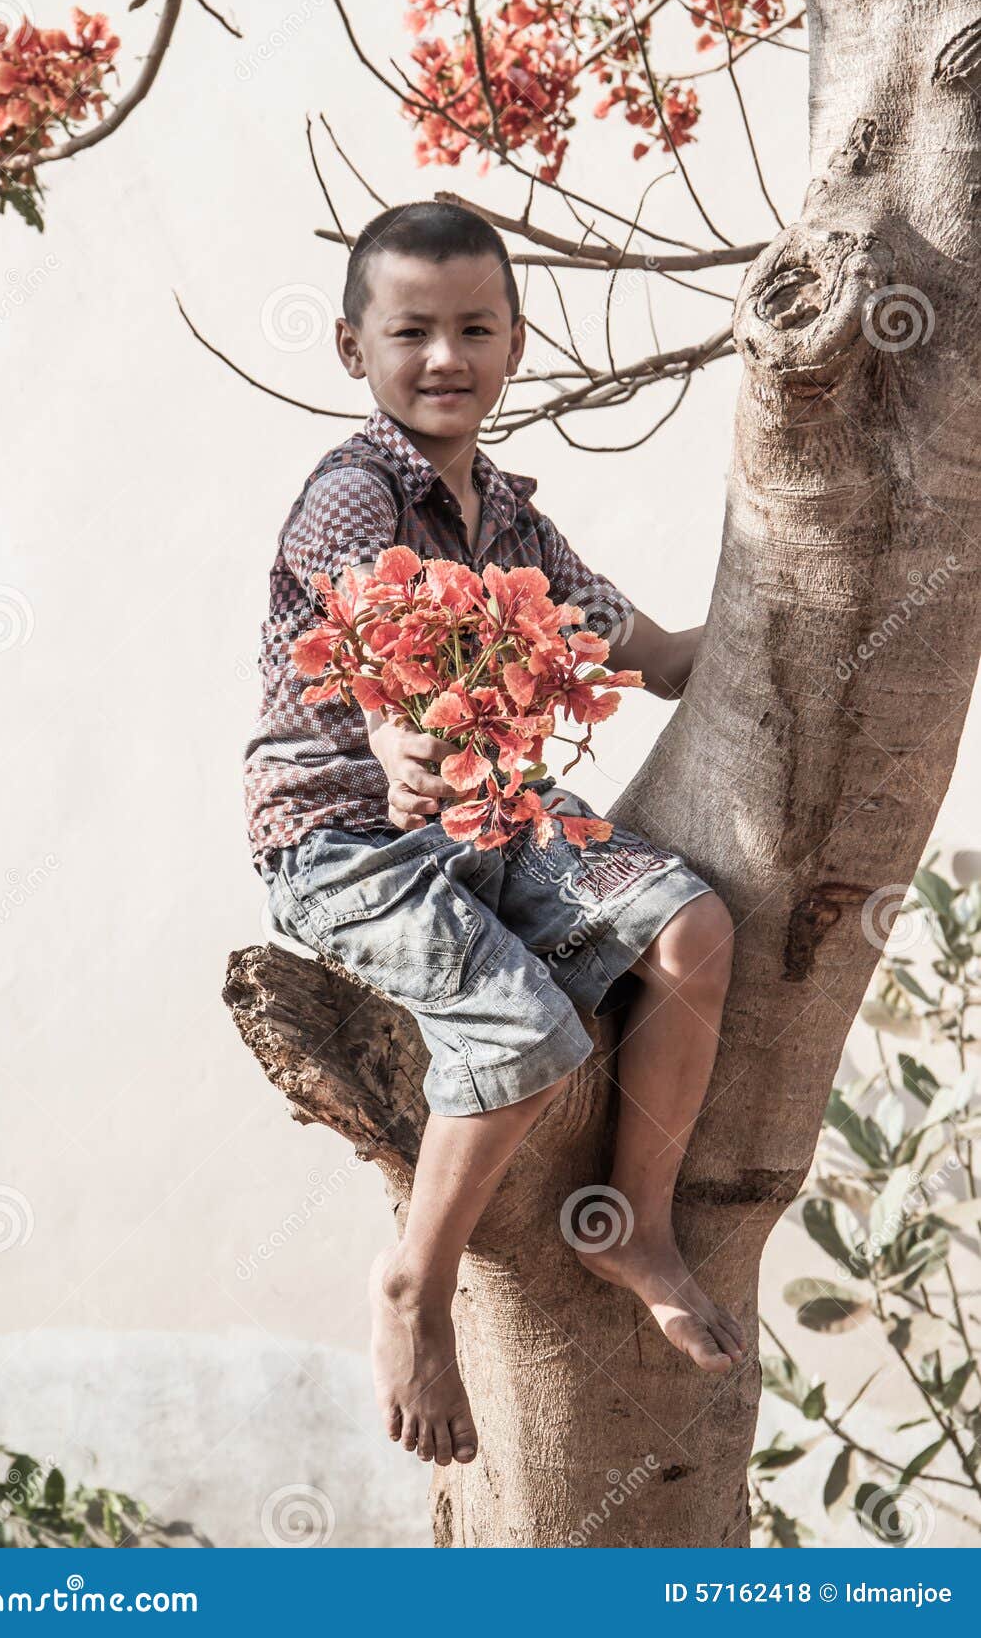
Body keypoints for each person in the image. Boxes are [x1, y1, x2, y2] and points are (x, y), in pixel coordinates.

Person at [243, 199, 745, 1471]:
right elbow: (374, 660)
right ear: (351, 348)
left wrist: (770, 601)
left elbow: (646, 651)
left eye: (474, 328)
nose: (444, 357)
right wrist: (395, 741)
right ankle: (414, 1284)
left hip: (490, 819)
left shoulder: (513, 522)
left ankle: (631, 1222)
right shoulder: (349, 497)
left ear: (515, 343)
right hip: (346, 842)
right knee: (526, 1032)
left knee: (691, 931)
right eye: (410, 330)